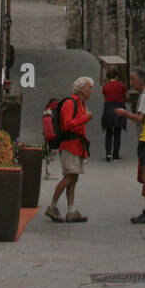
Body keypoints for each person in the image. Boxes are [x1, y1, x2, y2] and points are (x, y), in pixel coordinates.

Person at [116, 66, 145, 223]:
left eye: (133, 79)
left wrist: (124, 113)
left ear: (141, 80)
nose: (131, 82)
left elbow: (139, 118)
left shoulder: (144, 96)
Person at [44, 76, 93, 224]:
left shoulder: (80, 104)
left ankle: (71, 211)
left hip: (77, 146)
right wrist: (85, 118)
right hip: (69, 145)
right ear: (81, 89)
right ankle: (52, 206)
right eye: (89, 88)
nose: (90, 91)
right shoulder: (70, 104)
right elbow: (67, 125)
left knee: (73, 178)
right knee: (69, 177)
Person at [101, 65, 127, 162]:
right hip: (118, 110)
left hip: (108, 109)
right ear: (116, 76)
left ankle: (108, 153)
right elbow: (127, 96)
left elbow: (105, 95)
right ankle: (115, 155)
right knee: (117, 132)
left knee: (108, 132)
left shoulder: (105, 86)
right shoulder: (121, 85)